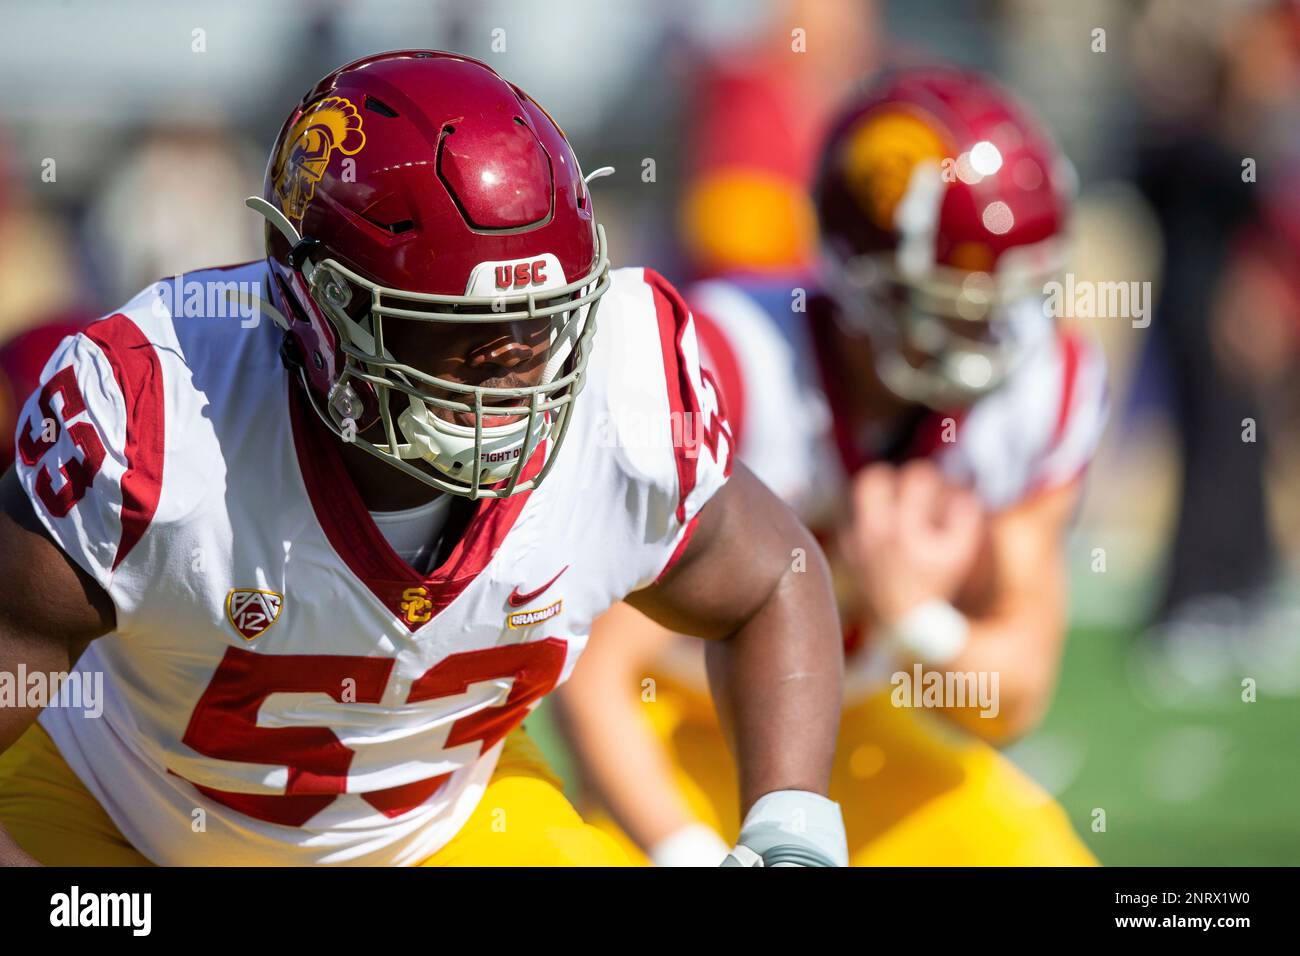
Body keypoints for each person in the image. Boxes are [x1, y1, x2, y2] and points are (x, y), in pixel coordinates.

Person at [0, 51, 848, 867]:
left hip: (442, 829)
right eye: (465, 330)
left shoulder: (622, 402)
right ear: (318, 306)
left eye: (544, 318)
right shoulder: (160, 416)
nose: (519, 362)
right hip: (114, 817)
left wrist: (792, 827)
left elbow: (774, 582)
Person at [558, 66, 1108, 867]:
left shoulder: (1041, 388)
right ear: (868, 278)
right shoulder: (727, 366)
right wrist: (684, 852)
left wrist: (916, 614)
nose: (1002, 333)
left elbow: (1014, 694)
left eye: (1011, 298)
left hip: (854, 729)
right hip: (673, 727)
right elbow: (599, 678)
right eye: (963, 301)